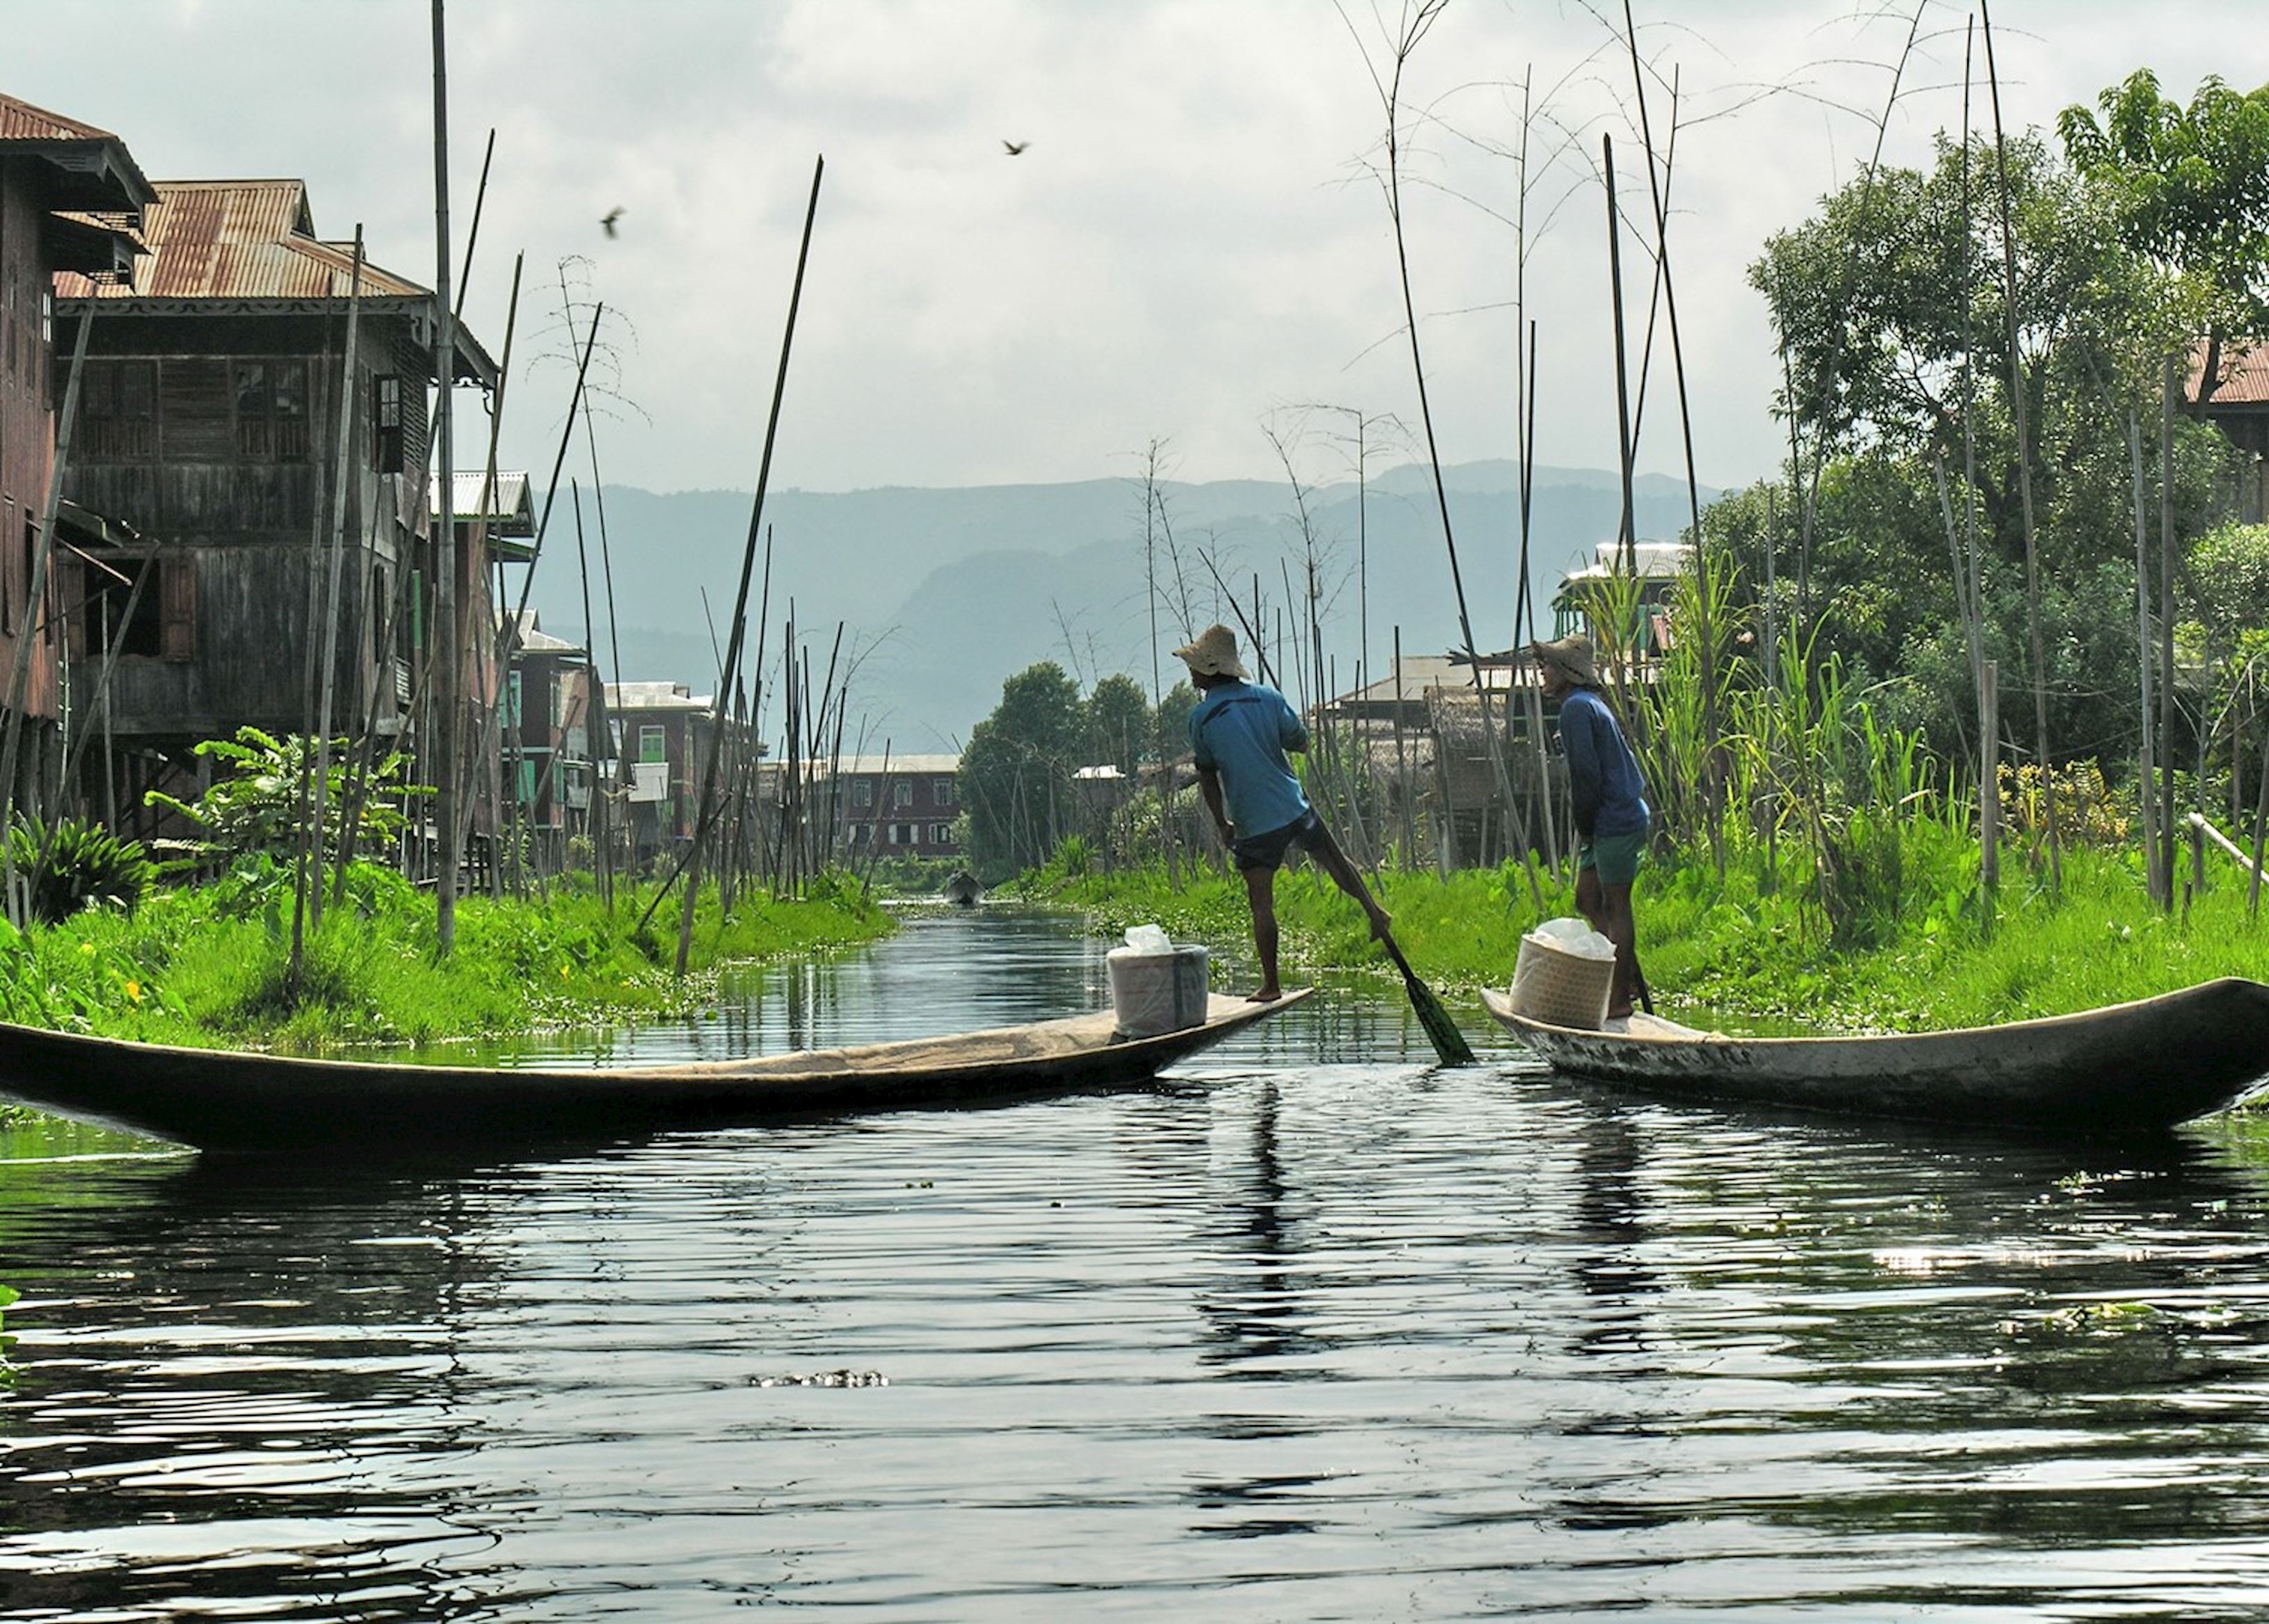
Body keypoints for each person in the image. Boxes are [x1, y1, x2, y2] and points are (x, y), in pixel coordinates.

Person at [1176, 624, 1394, 1002]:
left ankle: (1271, 985)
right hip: (1293, 805)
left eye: (1194, 667)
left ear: (1209, 670)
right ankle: (1375, 911)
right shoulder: (1269, 698)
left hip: (1254, 822)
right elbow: (1300, 742)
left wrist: (1221, 824)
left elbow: (1208, 778)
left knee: (1261, 902)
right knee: (1336, 862)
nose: (1191, 673)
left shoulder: (1202, 719)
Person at [1533, 633, 1650, 1020]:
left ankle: (1619, 999)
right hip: (1608, 816)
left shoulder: (1577, 710)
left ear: (1568, 672)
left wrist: (1584, 826)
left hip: (1614, 817)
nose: (1543, 673)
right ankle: (1626, 972)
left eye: (1547, 666)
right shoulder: (1584, 706)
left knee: (1616, 907)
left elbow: (1588, 776)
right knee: (1586, 899)